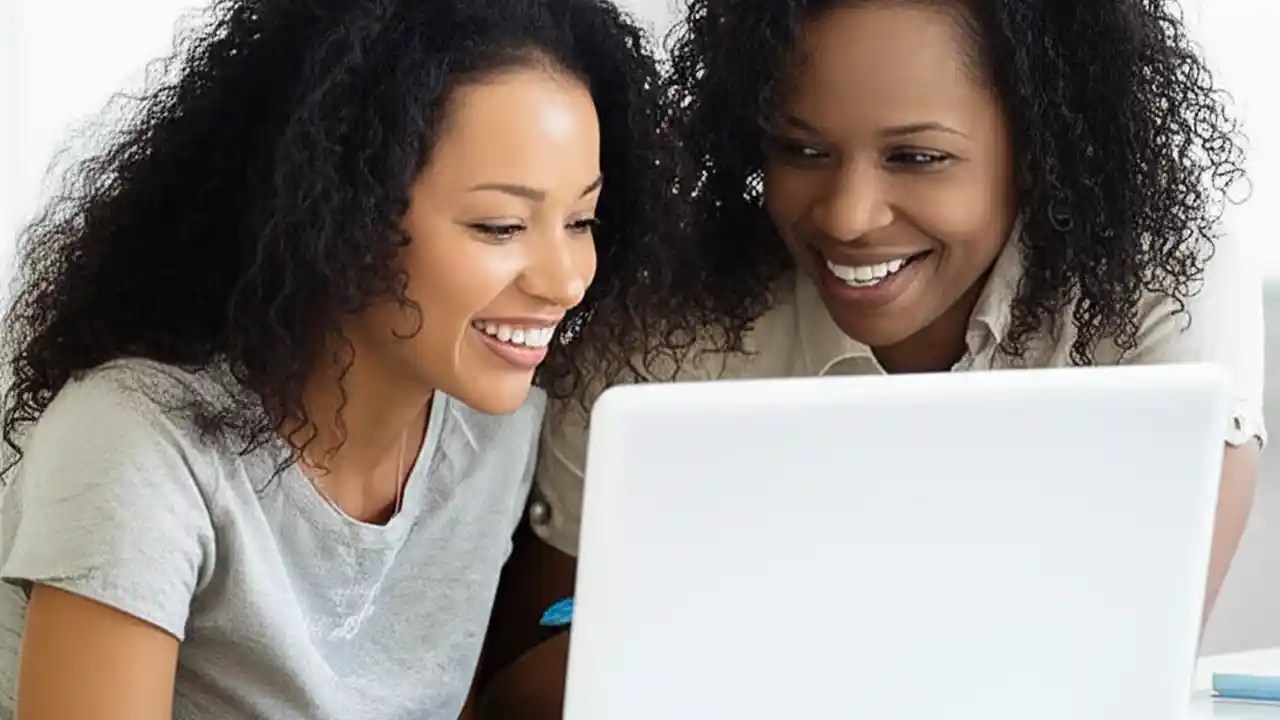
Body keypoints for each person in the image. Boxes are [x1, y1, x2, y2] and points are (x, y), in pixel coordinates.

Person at [477, 0, 1265, 714]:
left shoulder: (1157, 285)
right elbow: (518, 687)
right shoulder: (670, 321)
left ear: (1037, 148)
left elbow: (1119, 674)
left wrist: (736, 633)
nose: (849, 218)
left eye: (917, 158)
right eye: (802, 151)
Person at [0, 0, 689, 716]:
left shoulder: (498, 434)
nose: (566, 279)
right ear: (337, 211)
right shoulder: (140, 445)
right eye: (500, 225)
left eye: (581, 220)